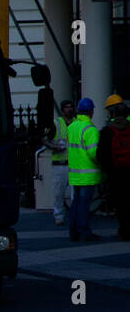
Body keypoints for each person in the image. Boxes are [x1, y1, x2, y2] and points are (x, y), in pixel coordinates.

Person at [68, 97, 103, 242]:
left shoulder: (72, 127)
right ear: (91, 112)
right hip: (87, 174)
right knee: (84, 204)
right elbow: (94, 153)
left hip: (75, 174)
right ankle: (84, 231)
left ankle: (74, 231)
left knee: (76, 203)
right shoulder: (90, 129)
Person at [97, 95, 130, 241]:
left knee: (120, 203)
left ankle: (124, 230)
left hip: (116, 173)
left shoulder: (107, 131)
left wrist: (108, 170)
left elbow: (101, 155)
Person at [48, 99, 76, 226]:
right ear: (62, 109)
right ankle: (58, 215)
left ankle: (75, 215)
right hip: (59, 163)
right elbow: (45, 139)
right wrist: (54, 147)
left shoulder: (77, 122)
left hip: (75, 163)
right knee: (58, 193)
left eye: (71, 107)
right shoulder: (56, 123)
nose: (69, 109)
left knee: (75, 193)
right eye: (67, 107)